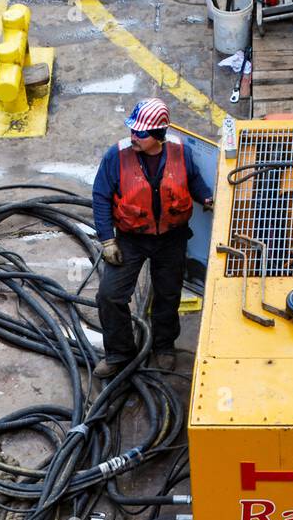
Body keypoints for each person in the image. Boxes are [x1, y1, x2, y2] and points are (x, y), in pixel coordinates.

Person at [91, 97, 214, 377]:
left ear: (158, 135)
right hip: (131, 238)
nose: (134, 136)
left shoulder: (180, 151)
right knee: (109, 295)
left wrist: (205, 196)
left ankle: (164, 346)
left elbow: (192, 178)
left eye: (141, 133)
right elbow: (100, 197)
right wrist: (107, 240)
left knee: (168, 294)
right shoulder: (116, 155)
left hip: (171, 237)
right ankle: (119, 353)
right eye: (133, 130)